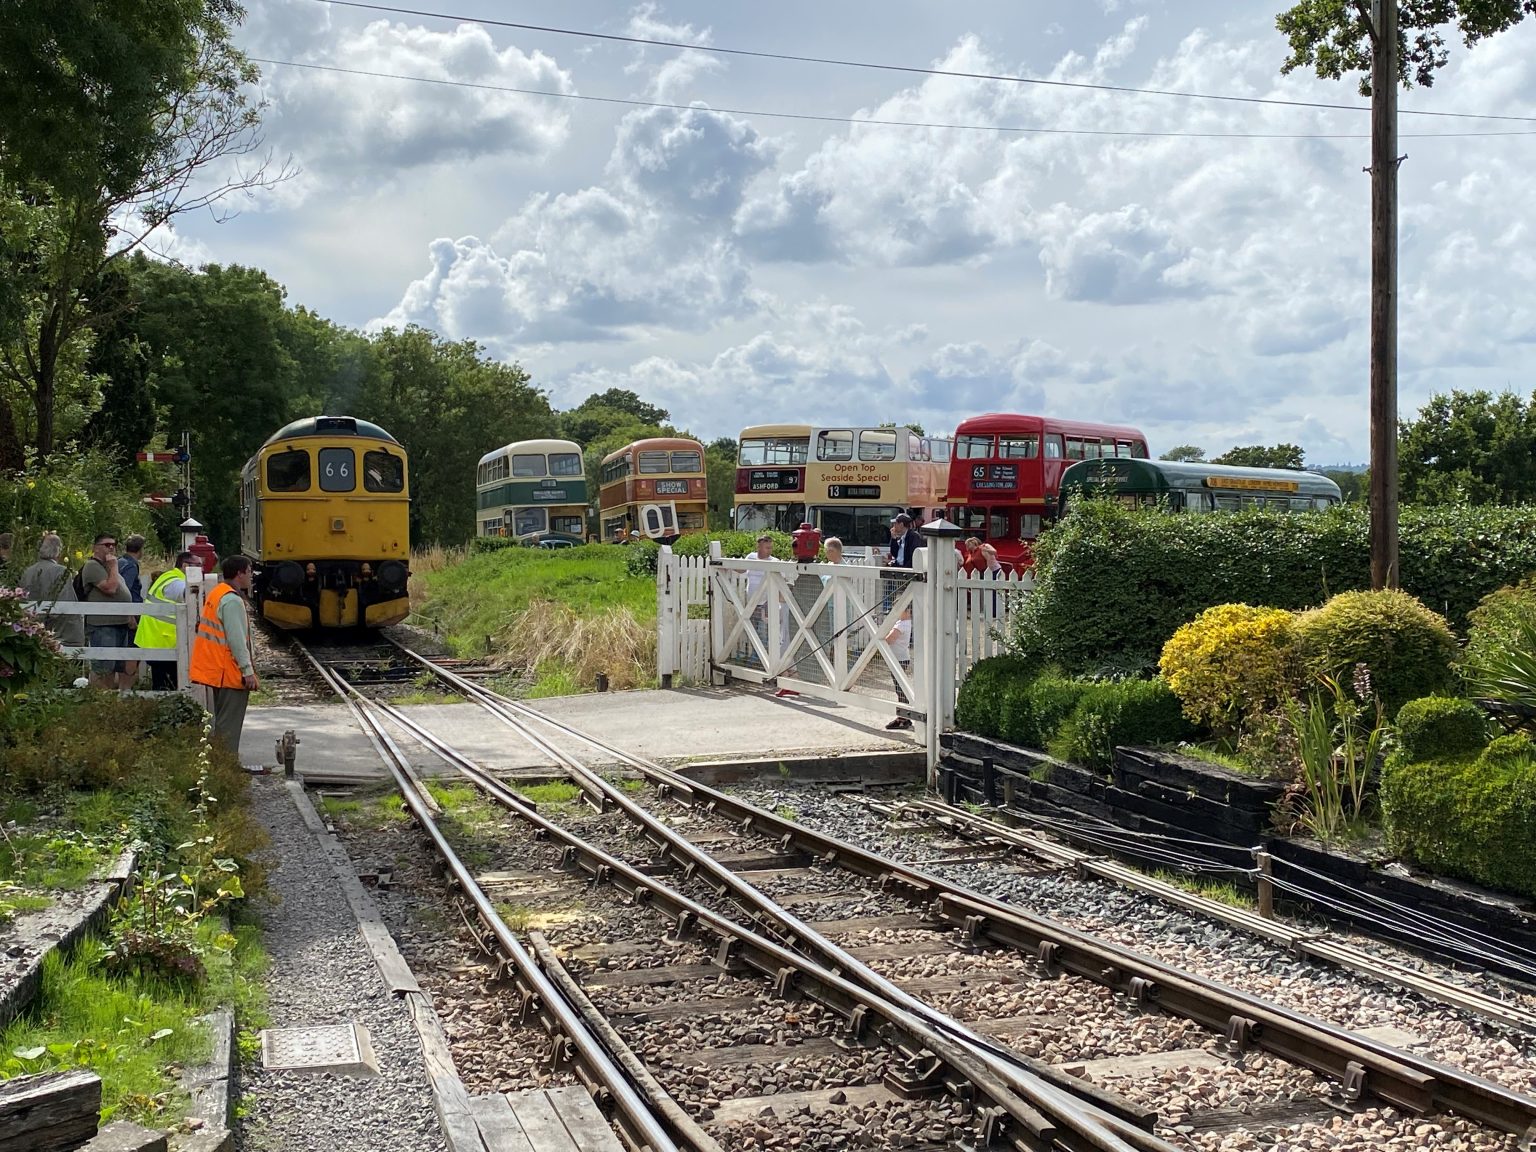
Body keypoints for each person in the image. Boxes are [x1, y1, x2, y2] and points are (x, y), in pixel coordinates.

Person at [191, 555, 258, 759]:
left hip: (218, 671)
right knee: (229, 728)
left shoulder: (217, 593)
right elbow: (237, 641)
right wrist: (247, 671)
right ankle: (225, 767)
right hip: (230, 672)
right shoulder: (232, 601)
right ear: (239, 574)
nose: (251, 576)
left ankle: (221, 765)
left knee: (222, 724)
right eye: (249, 571)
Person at [80, 532, 137, 689]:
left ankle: (110, 698)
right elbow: (110, 588)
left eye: (113, 545)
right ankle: (100, 697)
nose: (111, 548)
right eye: (106, 545)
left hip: (120, 623)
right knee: (103, 668)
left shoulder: (110, 567)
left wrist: (129, 615)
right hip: (103, 625)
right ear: (95, 548)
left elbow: (122, 592)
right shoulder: (93, 566)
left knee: (117, 667)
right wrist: (113, 566)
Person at [136, 551, 195, 691]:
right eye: (197, 565)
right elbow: (187, 593)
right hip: (165, 640)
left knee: (162, 683)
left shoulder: (168, 577)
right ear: (185, 566)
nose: (201, 569)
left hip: (157, 638)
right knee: (169, 685)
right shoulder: (175, 582)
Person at [19, 533, 83, 647]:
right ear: (59, 551)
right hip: (57, 631)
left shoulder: (28, 571)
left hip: (32, 626)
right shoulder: (61, 571)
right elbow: (65, 602)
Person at [882, 603, 914, 730]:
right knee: (900, 689)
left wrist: (880, 633)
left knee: (900, 689)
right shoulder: (903, 622)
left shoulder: (902, 625)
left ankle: (903, 718)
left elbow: (889, 640)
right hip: (899, 659)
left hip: (899, 660)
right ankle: (904, 717)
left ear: (907, 610)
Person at [118, 535, 145, 603]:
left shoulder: (119, 561)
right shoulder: (131, 566)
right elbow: (125, 591)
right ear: (140, 549)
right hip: (131, 606)